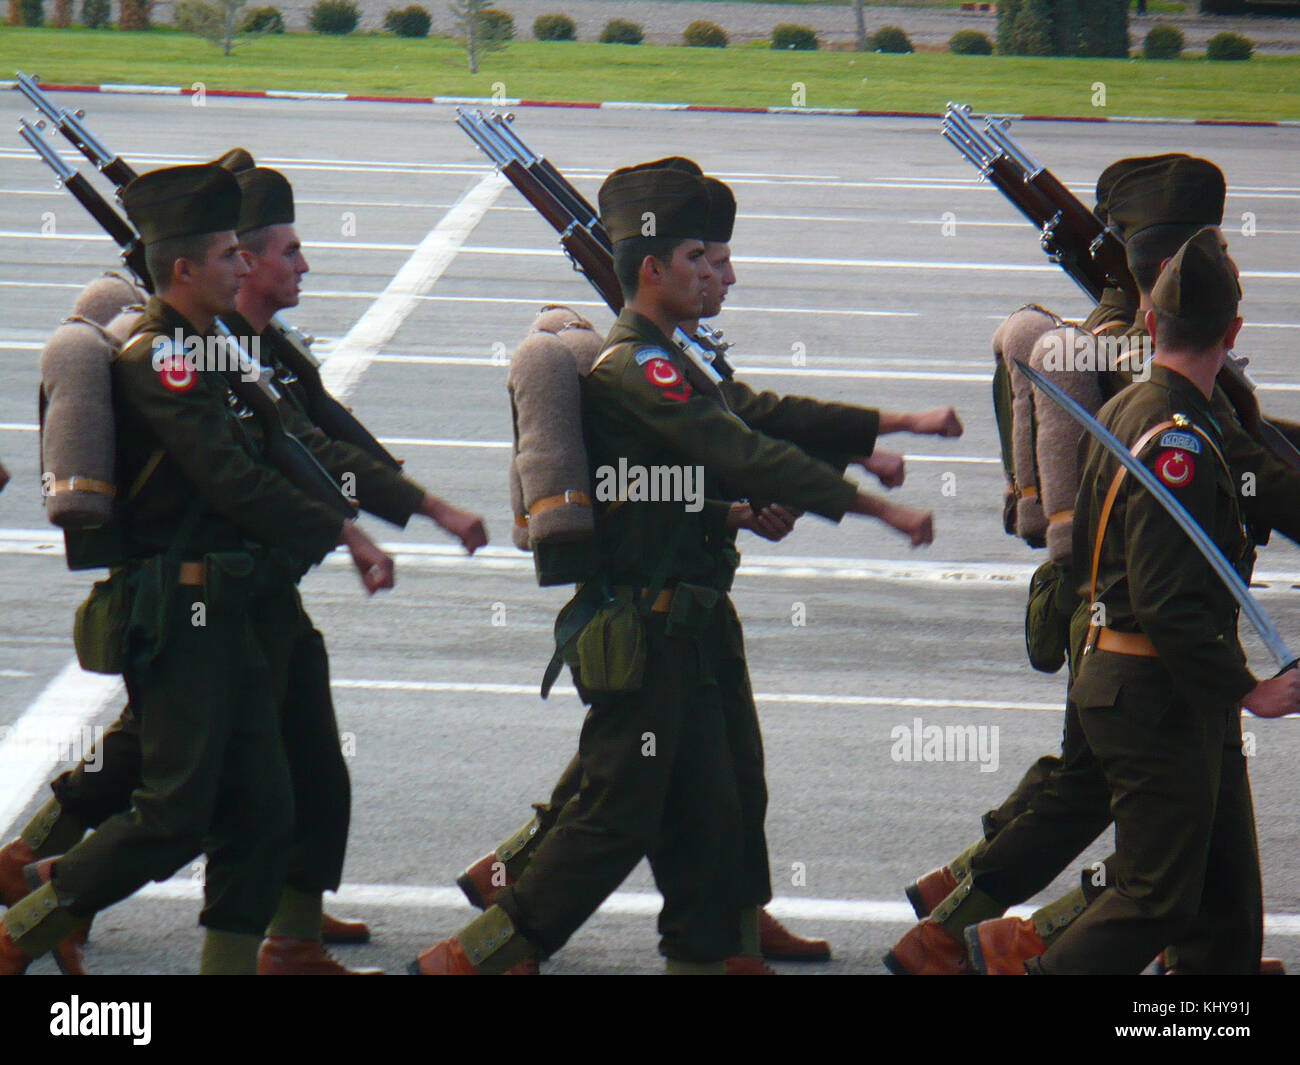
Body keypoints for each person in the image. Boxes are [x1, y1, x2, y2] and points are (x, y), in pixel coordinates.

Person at [412, 162, 934, 974]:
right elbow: (735, 445)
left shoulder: (674, 358)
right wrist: (870, 505)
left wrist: (879, 430)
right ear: (652, 269)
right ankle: (477, 955)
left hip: (687, 617)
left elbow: (719, 441)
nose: (721, 272)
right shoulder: (637, 365)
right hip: (648, 627)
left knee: (717, 804)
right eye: (702, 257)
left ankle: (718, 952)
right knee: (615, 815)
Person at [0, 159, 489, 974]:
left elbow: (304, 440)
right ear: (186, 268)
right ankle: (25, 921)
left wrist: (423, 506)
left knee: (264, 809)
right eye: (231, 253)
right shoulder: (163, 357)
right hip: (185, 606)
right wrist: (344, 531)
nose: (246, 265)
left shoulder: (217, 347)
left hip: (230, 603)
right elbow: (230, 472)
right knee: (174, 814)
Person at [889, 154, 1300, 975]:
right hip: (1137, 630)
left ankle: (974, 919)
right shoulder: (1134, 360)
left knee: (1164, 840)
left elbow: (1250, 444)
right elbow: (1251, 472)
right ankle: (989, 934)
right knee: (1143, 848)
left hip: (1146, 632)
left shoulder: (1134, 341)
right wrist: (1241, 685)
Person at [1025, 227, 1297, 972]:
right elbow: (1166, 599)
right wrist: (1252, 690)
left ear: (1151, 323)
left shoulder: (1134, 410)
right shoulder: (1178, 437)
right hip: (1155, 690)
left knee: (1224, 898)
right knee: (1157, 895)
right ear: (1234, 331)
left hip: (1162, 688)